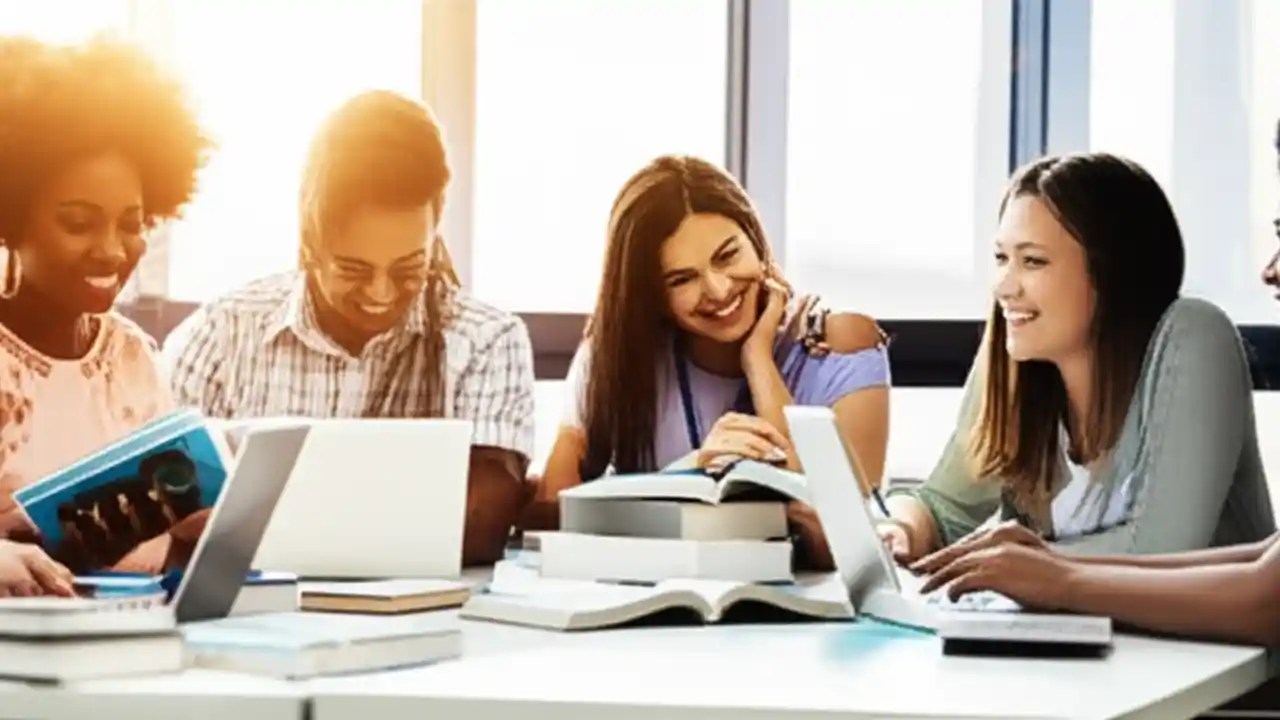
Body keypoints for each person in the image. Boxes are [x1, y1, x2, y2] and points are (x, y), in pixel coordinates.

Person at [907, 124, 1280, 646]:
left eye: (1033, 261)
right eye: (1000, 258)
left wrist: (1026, 567)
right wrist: (896, 533)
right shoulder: (1017, 360)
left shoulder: (1194, 338)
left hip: (1210, 677)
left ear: (1111, 274)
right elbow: (944, 507)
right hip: (1090, 665)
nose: (1004, 286)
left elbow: (1167, 551)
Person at [164, 90, 535, 566]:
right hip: (246, 621)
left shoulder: (486, 342)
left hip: (425, 626)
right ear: (310, 241)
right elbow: (169, 521)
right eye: (353, 270)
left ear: (435, 228)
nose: (380, 294)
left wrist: (262, 518)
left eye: (408, 268)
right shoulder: (221, 335)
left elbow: (480, 530)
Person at [536, 155, 891, 568]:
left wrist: (758, 359)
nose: (719, 290)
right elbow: (554, 506)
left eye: (727, 256)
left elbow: (844, 531)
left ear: (755, 239)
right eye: (681, 280)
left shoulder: (841, 342)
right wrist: (689, 474)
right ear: (650, 295)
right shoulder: (617, 356)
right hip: (663, 594)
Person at [0, 35, 210, 573]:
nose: (113, 250)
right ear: (12, 218)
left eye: (132, 224)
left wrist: (198, 531)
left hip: (133, 633)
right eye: (78, 223)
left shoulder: (131, 356)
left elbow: (162, 550)